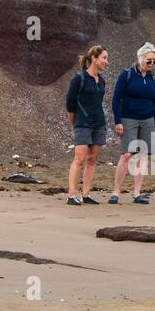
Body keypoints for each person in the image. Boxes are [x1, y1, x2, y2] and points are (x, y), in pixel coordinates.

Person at [109, 42, 155, 205]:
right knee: (126, 154)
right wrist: (118, 121)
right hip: (128, 118)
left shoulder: (152, 78)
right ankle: (116, 192)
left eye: (154, 61)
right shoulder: (127, 75)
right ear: (140, 58)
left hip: (148, 119)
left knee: (143, 155)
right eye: (149, 60)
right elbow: (116, 99)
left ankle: (137, 193)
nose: (151, 64)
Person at [65, 44, 108, 206]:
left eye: (106, 58)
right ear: (94, 59)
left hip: (99, 124)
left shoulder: (101, 81)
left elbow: (97, 104)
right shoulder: (79, 78)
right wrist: (74, 124)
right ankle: (71, 195)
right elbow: (70, 104)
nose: (106, 61)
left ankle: (86, 194)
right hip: (82, 124)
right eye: (104, 58)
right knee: (79, 158)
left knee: (92, 159)